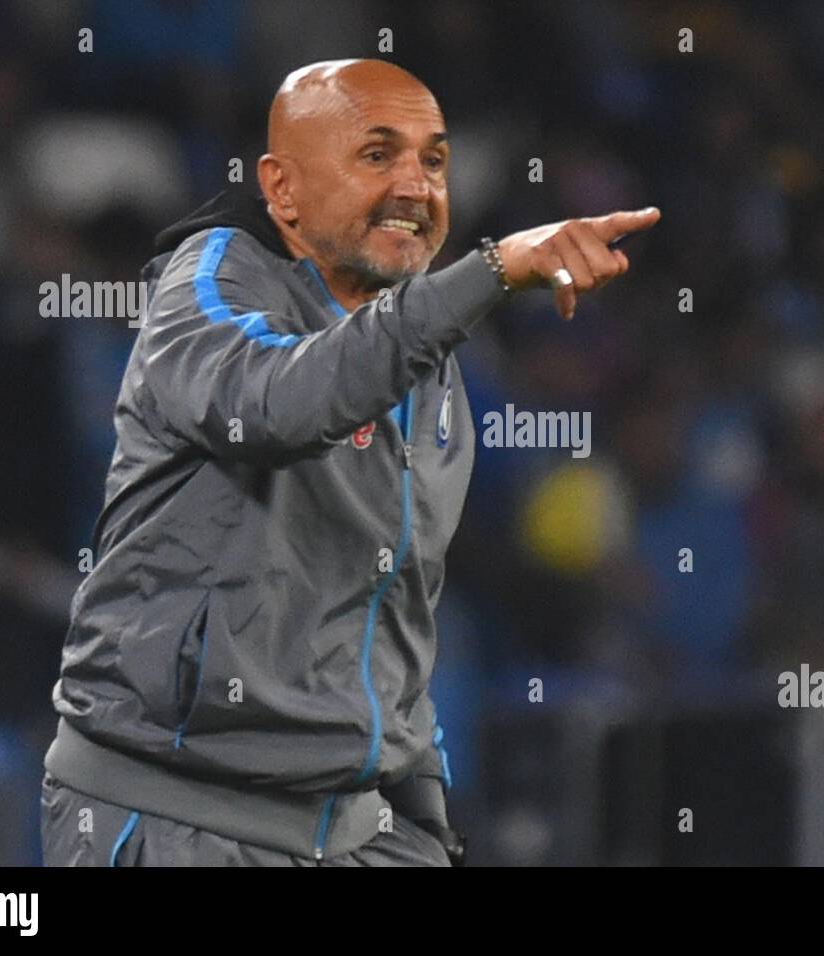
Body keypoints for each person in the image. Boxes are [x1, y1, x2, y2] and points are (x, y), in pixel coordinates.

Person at [39, 58, 660, 866]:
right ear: (283, 188)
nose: (416, 185)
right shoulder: (210, 283)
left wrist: (426, 823)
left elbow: (397, 612)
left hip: (354, 833)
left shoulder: (427, 357)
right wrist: (492, 272)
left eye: (433, 160)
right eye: (378, 155)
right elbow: (281, 405)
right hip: (176, 818)